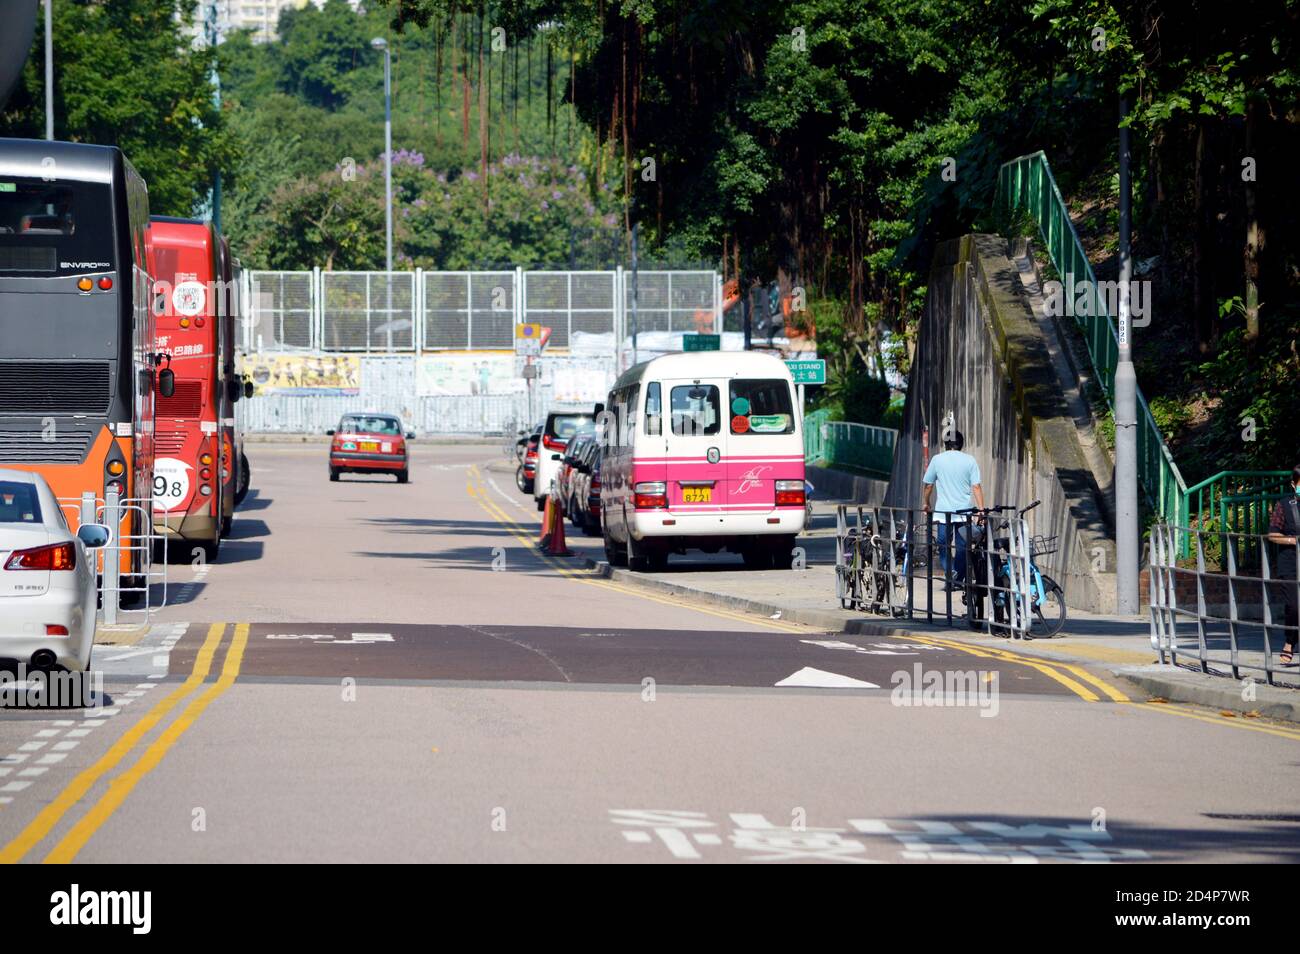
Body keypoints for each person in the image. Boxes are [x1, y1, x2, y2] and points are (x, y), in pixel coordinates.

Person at [922, 429, 985, 587]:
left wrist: (926, 503)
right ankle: (956, 577)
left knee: (943, 543)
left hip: (944, 512)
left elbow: (928, 485)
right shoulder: (970, 460)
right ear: (961, 444)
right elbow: (976, 486)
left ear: (945, 444)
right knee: (963, 547)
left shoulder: (937, 460)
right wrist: (981, 509)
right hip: (965, 512)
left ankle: (951, 574)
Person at [1266, 465, 1300, 665]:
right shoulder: (1285, 505)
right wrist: (1293, 541)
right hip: (1291, 562)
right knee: (1294, 605)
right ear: (1293, 484)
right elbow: (1273, 534)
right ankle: (1290, 641)